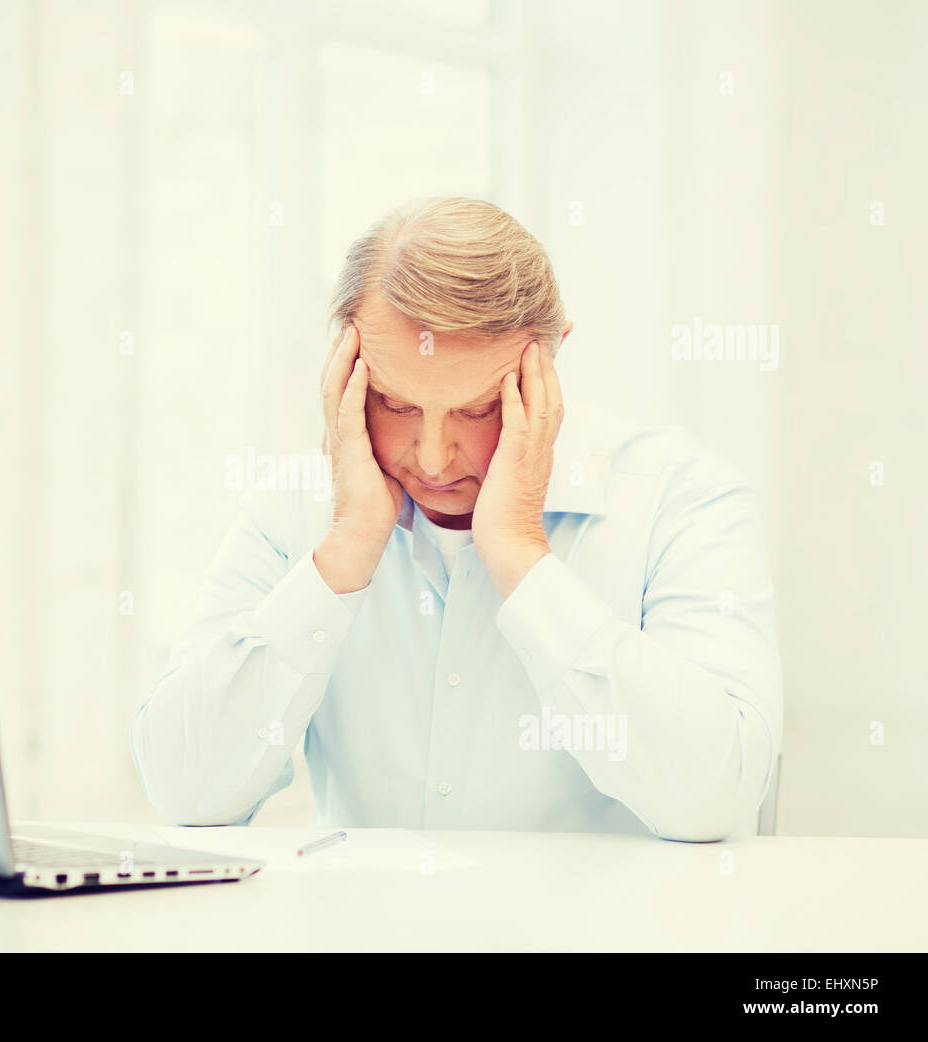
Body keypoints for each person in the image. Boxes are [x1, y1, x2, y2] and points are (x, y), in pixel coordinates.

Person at [131, 196, 783, 841]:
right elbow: (188, 790)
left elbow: (712, 799)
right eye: (394, 403)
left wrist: (522, 555)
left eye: (476, 411)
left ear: (551, 362)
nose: (435, 457)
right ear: (344, 367)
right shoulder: (291, 511)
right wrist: (348, 547)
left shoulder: (682, 498)